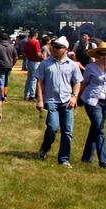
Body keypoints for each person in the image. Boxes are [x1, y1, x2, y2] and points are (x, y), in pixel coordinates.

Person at [34, 37, 83, 167]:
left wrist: (74, 97)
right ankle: (45, 148)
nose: (54, 49)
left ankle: (64, 159)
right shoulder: (45, 64)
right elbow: (39, 81)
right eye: (53, 47)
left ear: (65, 50)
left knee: (67, 131)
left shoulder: (72, 65)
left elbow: (77, 82)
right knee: (53, 127)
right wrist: (40, 100)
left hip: (67, 100)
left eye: (58, 47)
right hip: (51, 100)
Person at [22, 33, 43, 100]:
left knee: (29, 78)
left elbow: (24, 53)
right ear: (35, 35)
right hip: (36, 61)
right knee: (34, 79)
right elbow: (38, 53)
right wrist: (43, 58)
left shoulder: (27, 42)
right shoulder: (36, 42)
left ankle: (26, 94)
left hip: (29, 61)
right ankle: (32, 95)